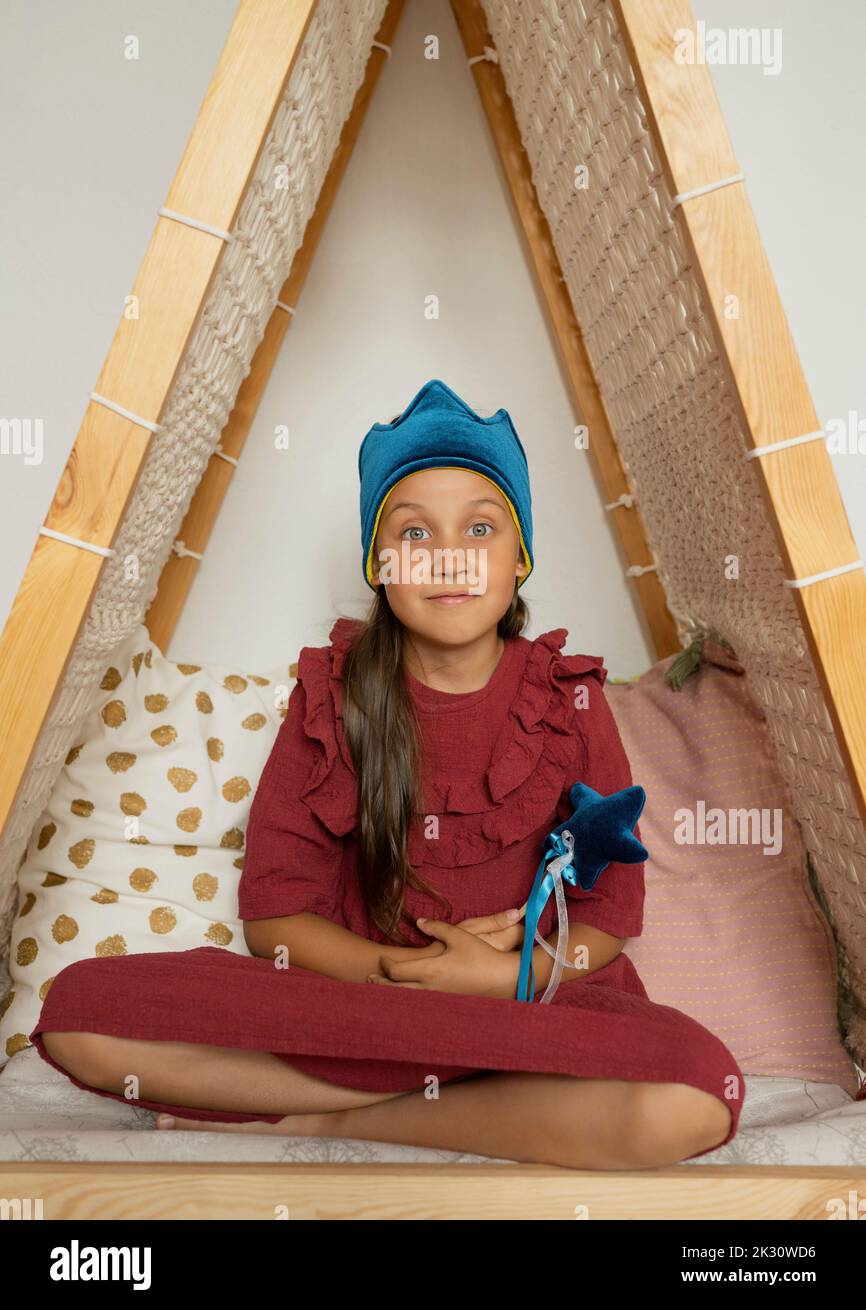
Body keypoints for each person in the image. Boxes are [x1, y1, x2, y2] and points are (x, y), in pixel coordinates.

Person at [29, 378, 744, 1169]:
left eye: (480, 528)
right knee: (81, 1014)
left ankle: (326, 1119)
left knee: (696, 1092)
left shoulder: (571, 698)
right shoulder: (330, 693)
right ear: (378, 561)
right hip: (367, 1013)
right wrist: (413, 975)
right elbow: (274, 918)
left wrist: (501, 979)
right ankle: (436, 1102)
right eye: (415, 532)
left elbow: (609, 914)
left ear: (520, 558)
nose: (449, 556)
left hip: (525, 1010)